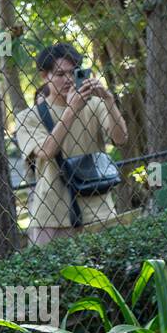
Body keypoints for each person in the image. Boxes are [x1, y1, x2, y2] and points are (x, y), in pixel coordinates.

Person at [15, 43, 128, 246]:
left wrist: (109, 100)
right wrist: (72, 109)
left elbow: (120, 139)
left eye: (73, 72)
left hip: (99, 207)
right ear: (44, 76)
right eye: (60, 74)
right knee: (52, 276)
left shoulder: (95, 104)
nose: (67, 79)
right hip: (52, 214)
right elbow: (47, 151)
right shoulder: (28, 117)